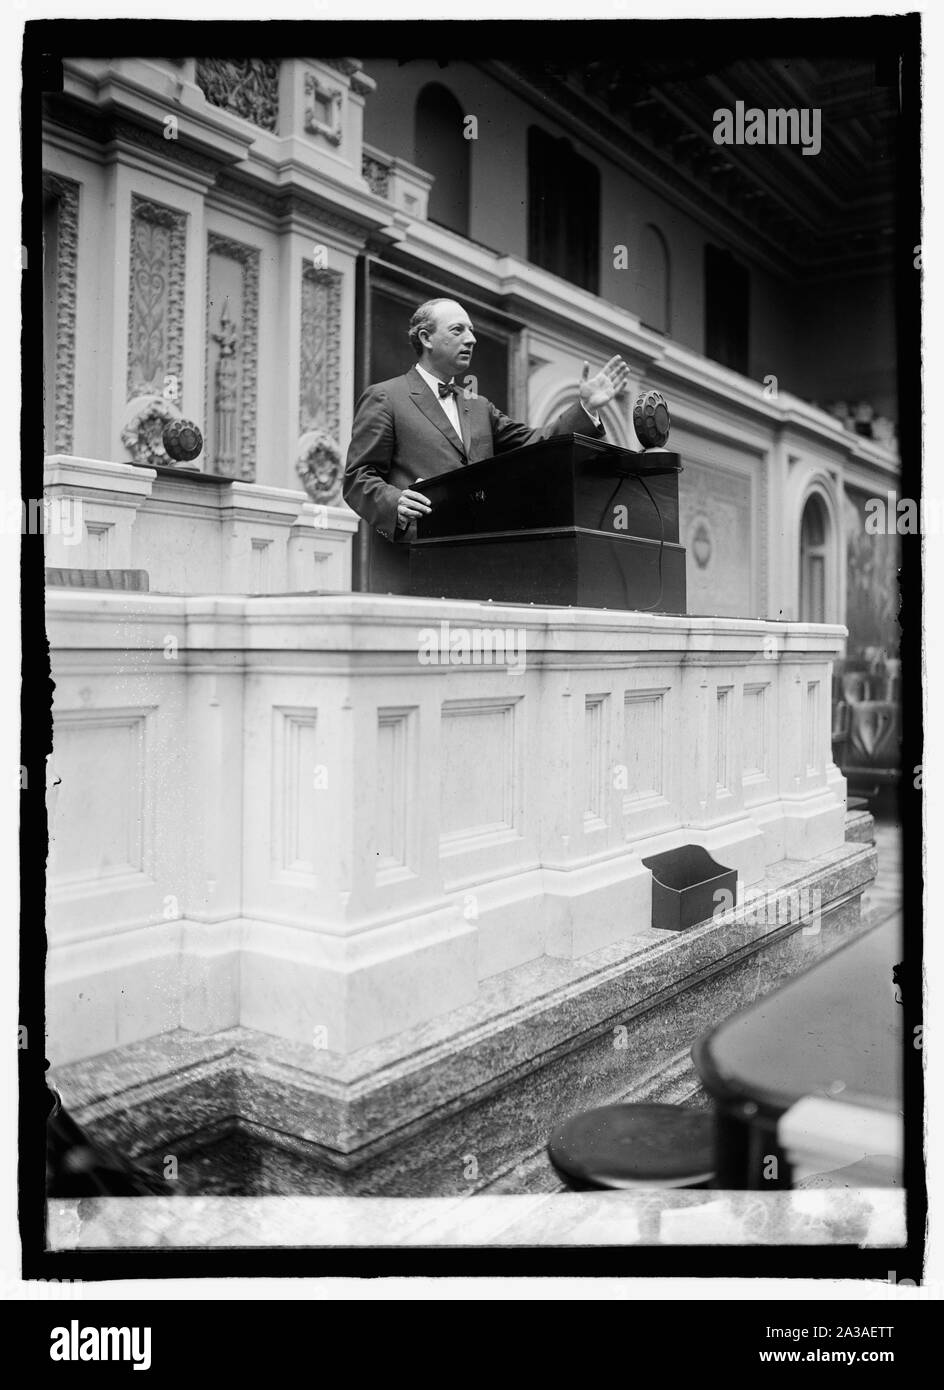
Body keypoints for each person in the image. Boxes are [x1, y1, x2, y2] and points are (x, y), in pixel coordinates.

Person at [343, 296, 630, 592]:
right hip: (410, 567)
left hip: (478, 568)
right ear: (426, 338)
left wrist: (585, 407)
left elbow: (535, 442)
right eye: (458, 330)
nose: (471, 339)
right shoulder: (386, 397)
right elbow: (357, 478)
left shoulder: (478, 406)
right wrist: (395, 502)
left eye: (471, 330)